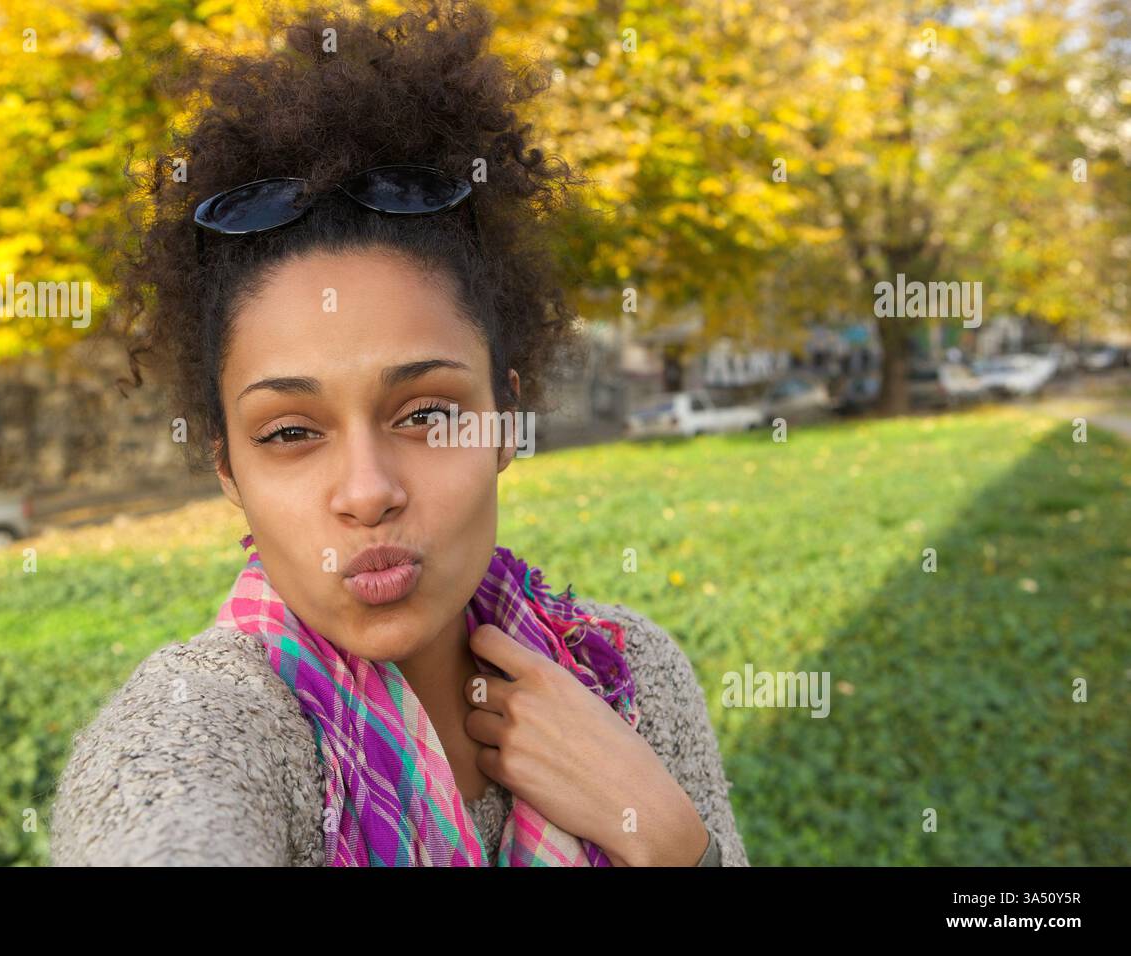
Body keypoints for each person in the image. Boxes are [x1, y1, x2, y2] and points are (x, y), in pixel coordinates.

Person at [49, 0, 748, 867]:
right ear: (228, 468)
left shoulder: (630, 672)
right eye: (291, 431)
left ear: (504, 420)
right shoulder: (192, 733)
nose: (369, 491)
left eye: (426, 415)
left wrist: (676, 843)